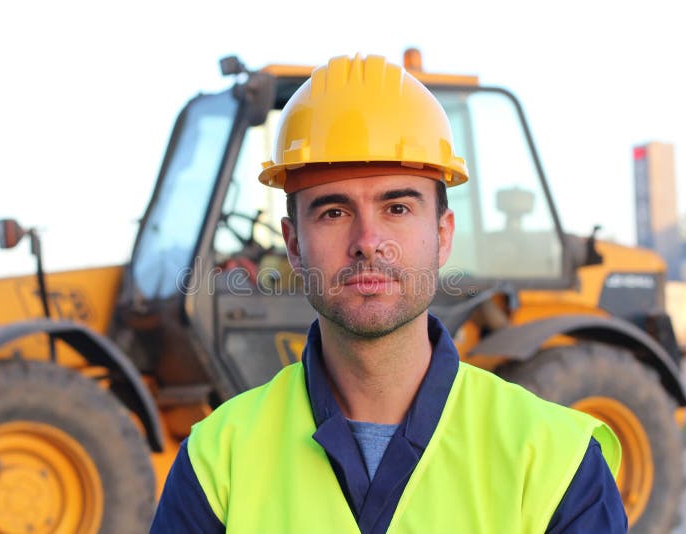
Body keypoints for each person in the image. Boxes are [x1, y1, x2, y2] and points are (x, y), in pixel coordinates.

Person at [151, 54, 627, 533]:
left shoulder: (556, 462)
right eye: (333, 212)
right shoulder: (217, 462)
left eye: (396, 207)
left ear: (443, 235)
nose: (367, 241)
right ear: (293, 245)